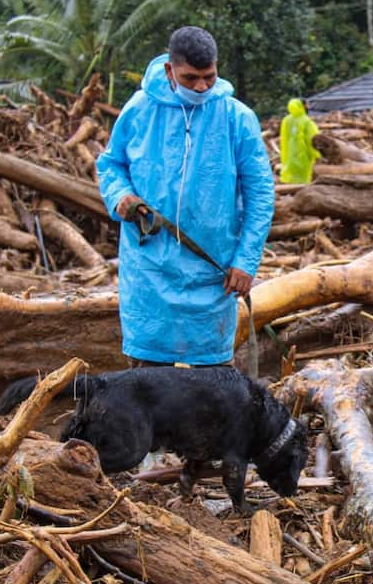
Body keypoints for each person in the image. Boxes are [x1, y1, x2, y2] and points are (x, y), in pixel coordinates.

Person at [97, 26, 275, 367]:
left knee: (212, 383)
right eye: (190, 77)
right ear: (169, 70)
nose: (201, 86)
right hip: (149, 266)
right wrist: (120, 194)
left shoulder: (237, 118)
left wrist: (246, 260)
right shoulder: (139, 110)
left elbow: (260, 194)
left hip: (213, 268)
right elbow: (111, 163)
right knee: (148, 382)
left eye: (209, 76)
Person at [279, 98, 320, 183]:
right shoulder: (306, 121)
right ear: (302, 105)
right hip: (303, 158)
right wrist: (317, 155)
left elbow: (283, 139)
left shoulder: (286, 120)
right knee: (303, 183)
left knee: (290, 183)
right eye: (307, 105)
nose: (309, 107)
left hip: (289, 158)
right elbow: (313, 140)